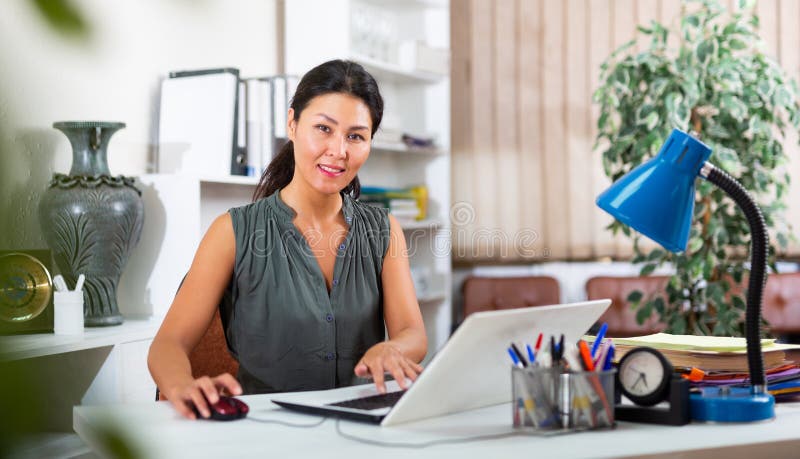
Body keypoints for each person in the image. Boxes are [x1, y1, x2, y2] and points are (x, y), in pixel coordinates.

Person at [148, 60, 427, 420]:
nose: (338, 150)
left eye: (355, 136)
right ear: (292, 124)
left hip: (361, 429)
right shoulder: (232, 232)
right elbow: (167, 345)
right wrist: (181, 385)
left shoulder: (384, 230)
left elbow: (412, 333)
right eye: (323, 129)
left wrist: (394, 348)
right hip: (267, 434)